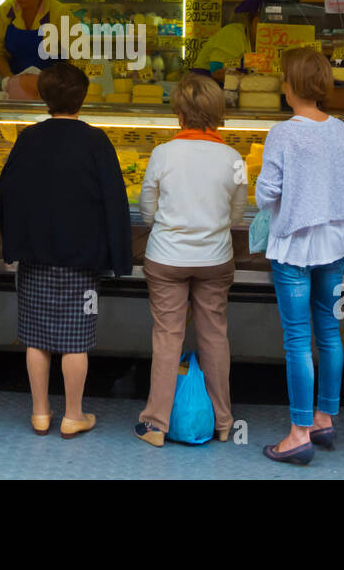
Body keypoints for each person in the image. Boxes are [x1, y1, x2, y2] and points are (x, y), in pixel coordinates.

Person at [255, 48, 344, 465]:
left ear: (289, 86)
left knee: (297, 339)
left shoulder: (282, 133)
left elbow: (265, 194)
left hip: (294, 247)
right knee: (328, 331)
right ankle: (324, 418)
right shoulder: (343, 129)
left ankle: (298, 434)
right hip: (334, 244)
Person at [0, 62, 132, 439]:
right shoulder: (96, 142)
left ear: (42, 97)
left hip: (35, 254)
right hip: (83, 260)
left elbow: (7, 193)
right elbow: (115, 202)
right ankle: (74, 414)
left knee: (36, 338)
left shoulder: (27, 140)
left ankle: (40, 413)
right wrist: (118, 257)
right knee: (76, 340)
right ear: (83, 97)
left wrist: (12, 245)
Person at [135, 73, 245, 447]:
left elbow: (147, 211)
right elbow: (236, 216)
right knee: (215, 335)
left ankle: (155, 425)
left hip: (167, 258)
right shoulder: (233, 157)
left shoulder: (163, 153)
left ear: (180, 113)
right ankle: (224, 421)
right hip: (215, 259)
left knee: (168, 337)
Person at [195, 0, 261, 82]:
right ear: (252, 20)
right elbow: (217, 73)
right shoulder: (233, 33)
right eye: (263, 21)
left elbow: (254, 69)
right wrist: (248, 80)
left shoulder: (261, 45)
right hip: (204, 87)